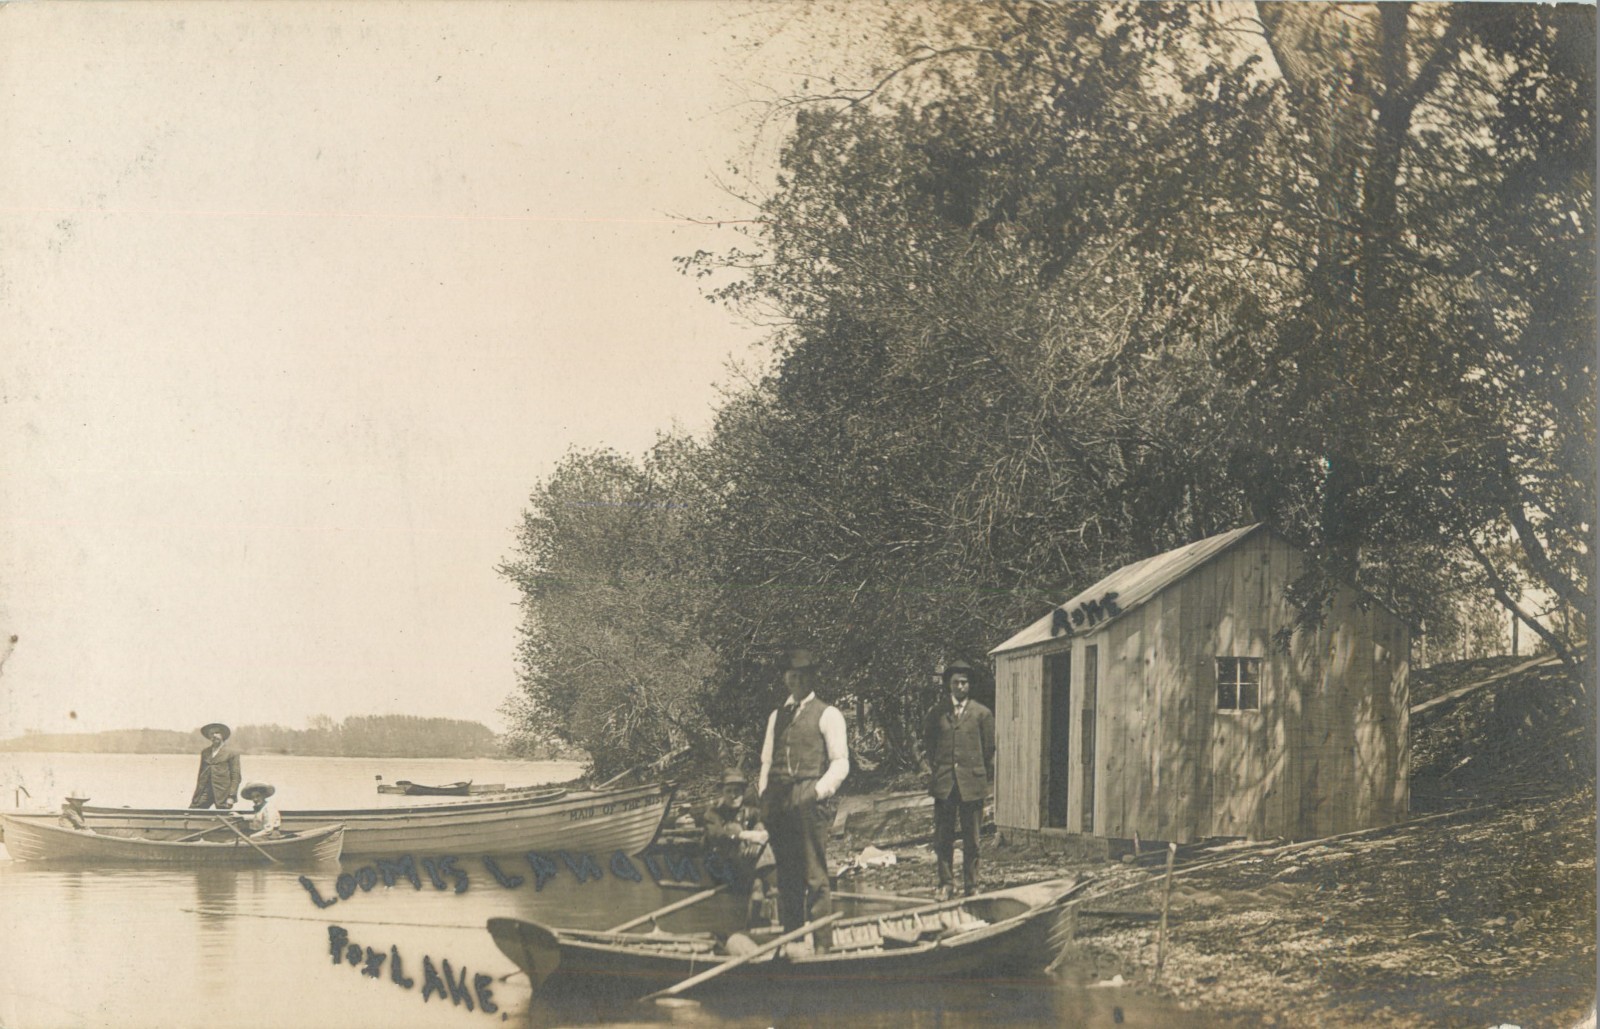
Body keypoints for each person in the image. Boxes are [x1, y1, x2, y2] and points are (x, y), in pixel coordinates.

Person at [758, 646, 849, 951]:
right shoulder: (776, 716)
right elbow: (767, 762)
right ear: (785, 677)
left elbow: (840, 762)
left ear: (811, 678)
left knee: (815, 875)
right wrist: (763, 798)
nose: (795, 680)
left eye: (801, 675)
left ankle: (823, 946)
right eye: (790, 675)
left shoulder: (828, 714)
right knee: (787, 876)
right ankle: (792, 941)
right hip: (779, 802)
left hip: (809, 800)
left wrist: (817, 793)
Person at [921, 659, 995, 898]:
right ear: (948, 685)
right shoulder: (937, 713)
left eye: (964, 682)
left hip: (971, 785)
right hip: (945, 785)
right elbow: (929, 745)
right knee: (943, 837)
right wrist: (939, 768)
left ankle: (972, 885)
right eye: (955, 682)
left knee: (972, 839)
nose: (960, 687)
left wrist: (971, 769)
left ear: (969, 685)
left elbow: (988, 748)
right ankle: (946, 884)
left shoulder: (982, 714)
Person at [698, 768, 776, 926]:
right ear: (722, 792)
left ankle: (759, 920)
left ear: (743, 792)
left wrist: (757, 835)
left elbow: (764, 825)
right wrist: (744, 836)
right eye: (729, 791)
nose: (733, 795)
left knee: (757, 885)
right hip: (720, 867)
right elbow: (718, 837)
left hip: (747, 865)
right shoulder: (713, 814)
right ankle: (772, 890)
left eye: (737, 791)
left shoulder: (750, 811)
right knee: (735, 831)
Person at [189, 722, 242, 810]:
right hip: (205, 791)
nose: (214, 735)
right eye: (211, 733)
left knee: (224, 818)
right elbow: (201, 774)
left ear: (223, 735)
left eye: (216, 733)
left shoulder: (232, 753)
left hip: (223, 793)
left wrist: (231, 796)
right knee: (193, 812)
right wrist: (197, 794)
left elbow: (236, 776)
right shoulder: (205, 752)